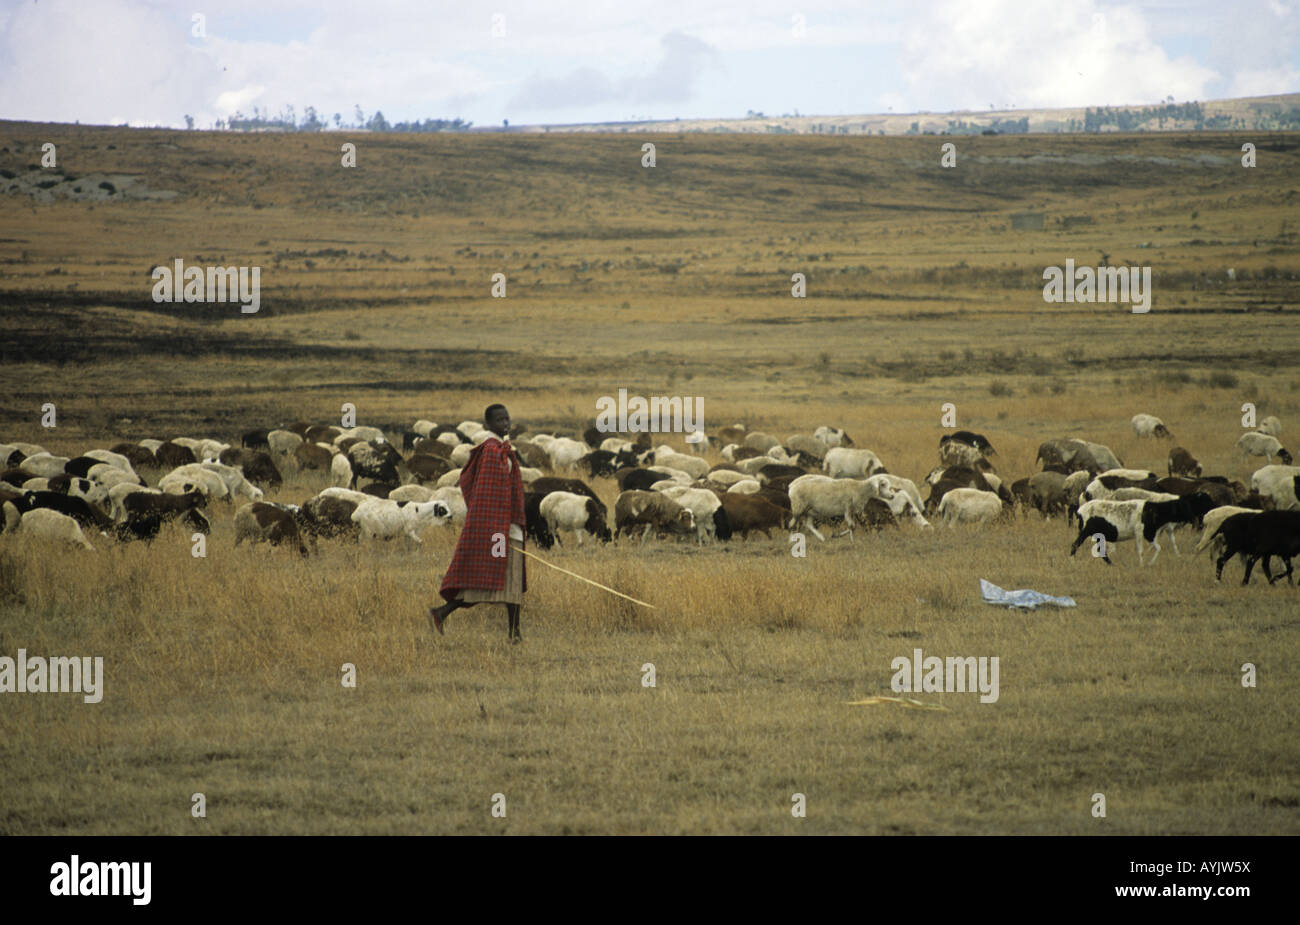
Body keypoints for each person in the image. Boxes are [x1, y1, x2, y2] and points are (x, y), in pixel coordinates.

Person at [429, 404, 527, 642]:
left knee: (504, 578)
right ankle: (513, 634)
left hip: (508, 526)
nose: (505, 423)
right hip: (500, 529)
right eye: (500, 420)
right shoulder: (492, 452)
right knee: (498, 577)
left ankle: (513, 633)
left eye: (507, 418)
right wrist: (498, 528)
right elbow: (489, 493)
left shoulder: (501, 449)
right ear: (488, 424)